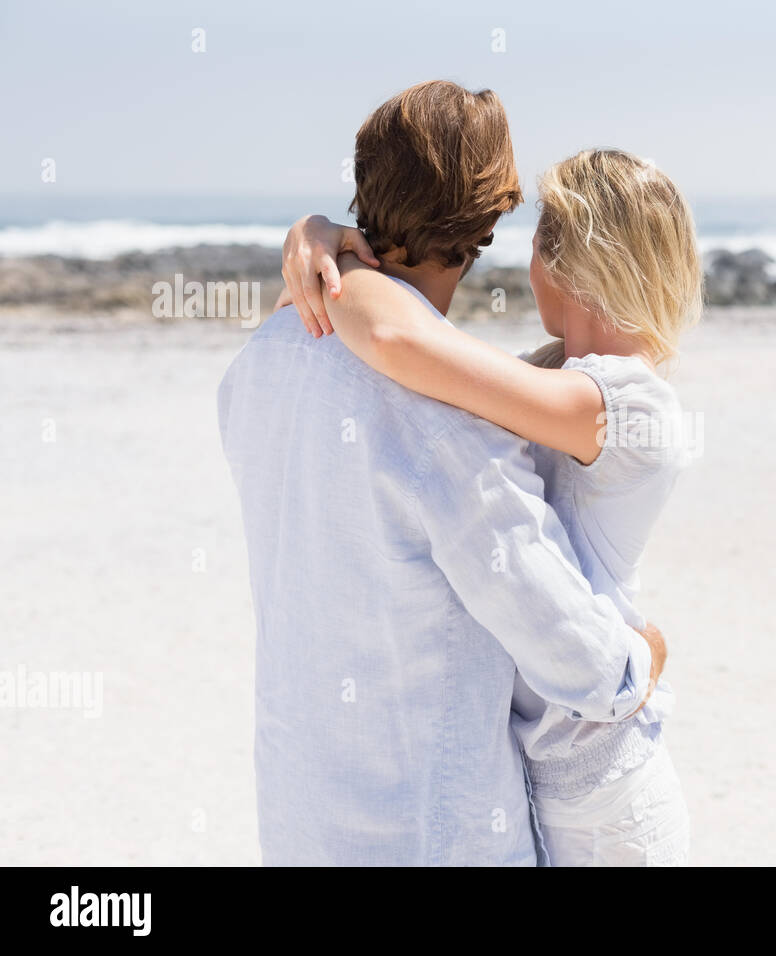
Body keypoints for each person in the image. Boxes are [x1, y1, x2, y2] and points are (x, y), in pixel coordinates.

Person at [218, 81, 665, 866]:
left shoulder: (261, 359)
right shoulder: (457, 430)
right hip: (430, 829)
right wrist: (644, 654)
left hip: (295, 816)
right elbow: (581, 661)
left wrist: (319, 233)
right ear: (487, 225)